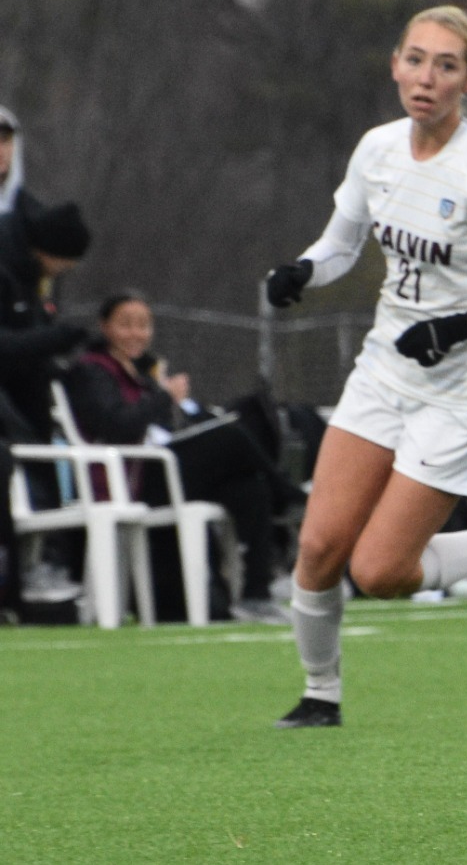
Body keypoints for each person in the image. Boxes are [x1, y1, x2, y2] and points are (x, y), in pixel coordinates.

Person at [262, 5, 467, 728]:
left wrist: (461, 325)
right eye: (414, 59)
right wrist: (303, 271)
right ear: (396, 63)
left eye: (445, 64)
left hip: (461, 389)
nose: (425, 77)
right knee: (318, 545)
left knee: (380, 573)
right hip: (384, 370)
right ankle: (320, 696)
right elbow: (342, 242)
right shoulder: (377, 149)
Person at [66, 293, 297, 623]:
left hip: (161, 470)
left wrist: (177, 407)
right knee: (232, 436)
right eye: (125, 325)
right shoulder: (92, 371)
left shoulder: (143, 373)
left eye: (144, 326)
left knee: (249, 485)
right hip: (132, 477)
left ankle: (255, 595)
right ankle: (288, 496)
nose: (136, 334)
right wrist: (164, 397)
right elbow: (117, 425)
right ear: (105, 328)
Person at [0, 200, 91, 612]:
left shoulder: (31, 281)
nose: (66, 270)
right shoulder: (8, 274)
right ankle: (27, 569)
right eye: (66, 260)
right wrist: (59, 337)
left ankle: (52, 564)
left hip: (29, 411)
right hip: (11, 415)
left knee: (52, 468)